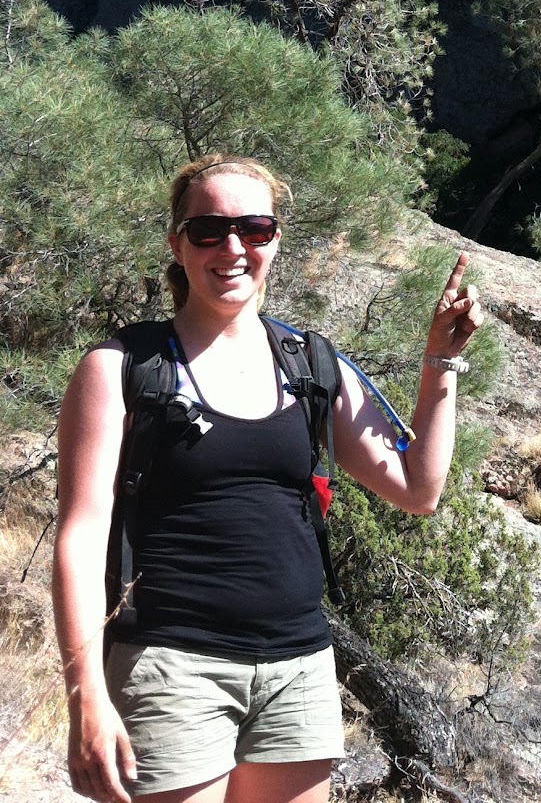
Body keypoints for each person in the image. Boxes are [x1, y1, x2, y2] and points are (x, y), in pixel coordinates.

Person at [52, 153, 484, 803]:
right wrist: (86, 696)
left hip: (297, 669)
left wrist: (440, 362)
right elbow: (80, 539)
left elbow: (417, 488)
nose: (233, 248)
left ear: (275, 240)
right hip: (171, 666)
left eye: (254, 229)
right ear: (176, 244)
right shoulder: (121, 368)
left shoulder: (309, 364)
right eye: (208, 230)